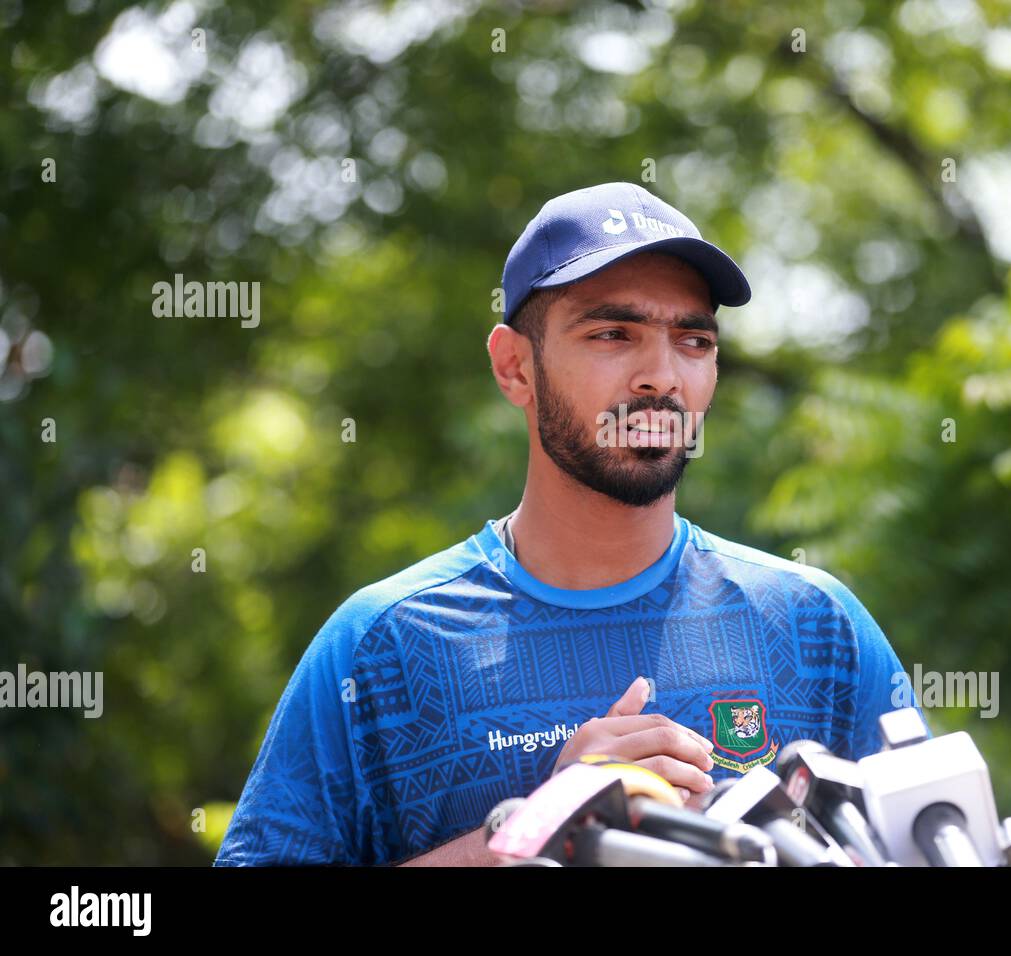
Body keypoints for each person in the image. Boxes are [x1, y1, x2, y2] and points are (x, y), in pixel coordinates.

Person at [214, 182, 926, 866]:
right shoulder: (382, 646)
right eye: (613, 333)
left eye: (694, 341)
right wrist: (536, 829)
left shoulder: (815, 627)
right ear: (515, 368)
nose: (661, 376)